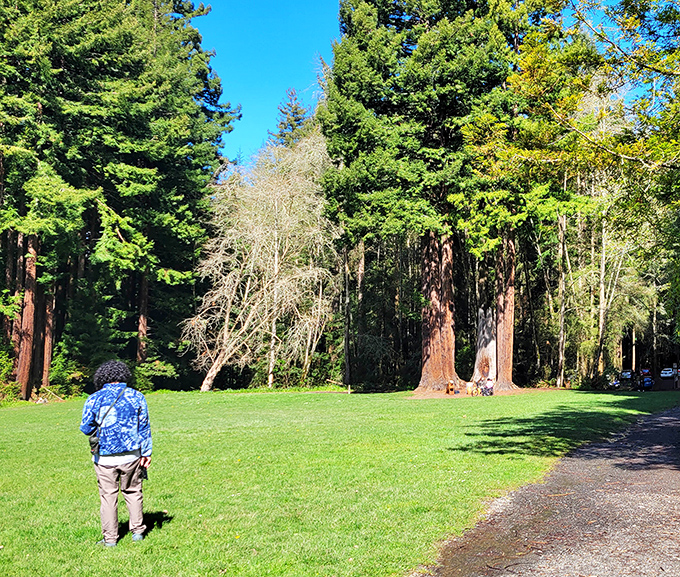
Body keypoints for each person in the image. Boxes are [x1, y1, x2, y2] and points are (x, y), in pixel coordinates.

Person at [80, 360, 152, 547]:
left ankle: (110, 539)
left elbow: (86, 428)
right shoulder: (137, 397)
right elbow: (144, 427)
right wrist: (147, 453)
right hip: (132, 456)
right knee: (134, 491)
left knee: (108, 496)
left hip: (104, 457)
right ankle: (137, 532)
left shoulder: (94, 398)